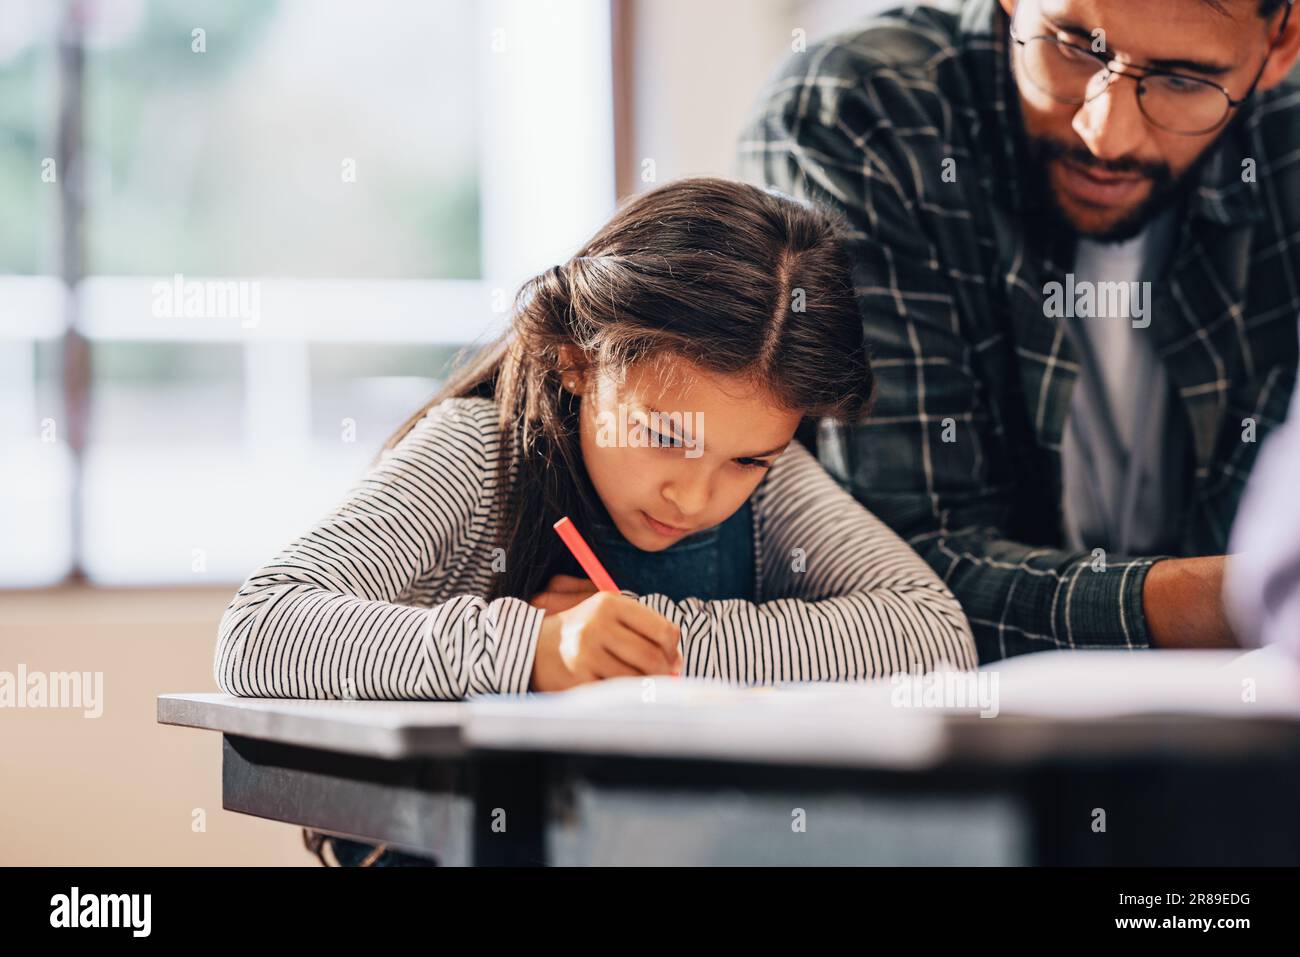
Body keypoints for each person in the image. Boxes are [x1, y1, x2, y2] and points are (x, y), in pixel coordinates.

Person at [214, 177, 976, 709]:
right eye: (664, 436)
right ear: (575, 360)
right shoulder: (480, 453)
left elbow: (934, 636)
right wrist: (540, 651)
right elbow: (261, 629)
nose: (697, 494)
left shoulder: (772, 482)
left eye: (746, 460)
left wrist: (638, 640)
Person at [739, 0, 1300, 659]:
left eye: (1183, 80)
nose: (1106, 135)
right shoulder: (861, 114)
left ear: (1283, 40)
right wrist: (1246, 598)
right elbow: (899, 576)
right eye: (1074, 47)